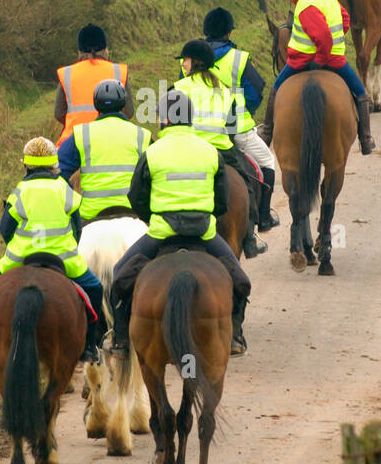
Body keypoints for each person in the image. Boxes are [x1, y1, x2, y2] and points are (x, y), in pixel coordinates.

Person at [108, 90, 252, 358]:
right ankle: (235, 334)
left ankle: (120, 339)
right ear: (190, 118)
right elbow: (222, 201)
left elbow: (136, 197)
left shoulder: (152, 152)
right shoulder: (211, 152)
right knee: (240, 280)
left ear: (164, 120)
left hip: (163, 234)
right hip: (204, 234)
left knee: (119, 274)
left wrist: (153, 219)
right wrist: (206, 216)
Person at [0, 137, 105, 363]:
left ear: (26, 165)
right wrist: (69, 246)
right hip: (64, 259)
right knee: (95, 288)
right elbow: (77, 228)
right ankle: (89, 345)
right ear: (54, 164)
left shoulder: (20, 190)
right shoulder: (64, 189)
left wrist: (15, 245)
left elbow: (5, 228)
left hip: (20, 258)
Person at [256, 0, 376, 155]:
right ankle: (366, 138)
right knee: (360, 93)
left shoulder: (305, 5)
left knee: (276, 89)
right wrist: (335, 41)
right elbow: (344, 19)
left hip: (302, 60)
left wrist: (320, 59)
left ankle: (267, 132)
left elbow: (323, 37)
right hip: (336, 60)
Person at [174, 39, 267, 258]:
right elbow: (232, 128)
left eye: (184, 60)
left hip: (187, 149)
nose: (182, 64)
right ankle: (250, 238)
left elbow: (168, 123)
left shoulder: (178, 88)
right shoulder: (225, 91)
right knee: (247, 182)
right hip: (221, 150)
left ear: (195, 62)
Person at [202, 7, 279, 233]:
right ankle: (264, 217)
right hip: (236, 129)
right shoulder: (238, 58)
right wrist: (244, 111)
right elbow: (256, 93)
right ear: (228, 33)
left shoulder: (189, 59)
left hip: (200, 131)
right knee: (266, 162)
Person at [57, 79, 153, 223]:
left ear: (96, 105)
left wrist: (74, 203)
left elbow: (57, 175)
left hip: (91, 217)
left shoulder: (81, 134)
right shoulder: (142, 135)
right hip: (133, 216)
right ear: (124, 105)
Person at [55, 24, 133, 145]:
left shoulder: (67, 74)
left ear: (80, 51)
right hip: (112, 140)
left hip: (74, 142)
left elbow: (59, 113)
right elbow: (129, 112)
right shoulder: (118, 72)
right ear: (105, 49)